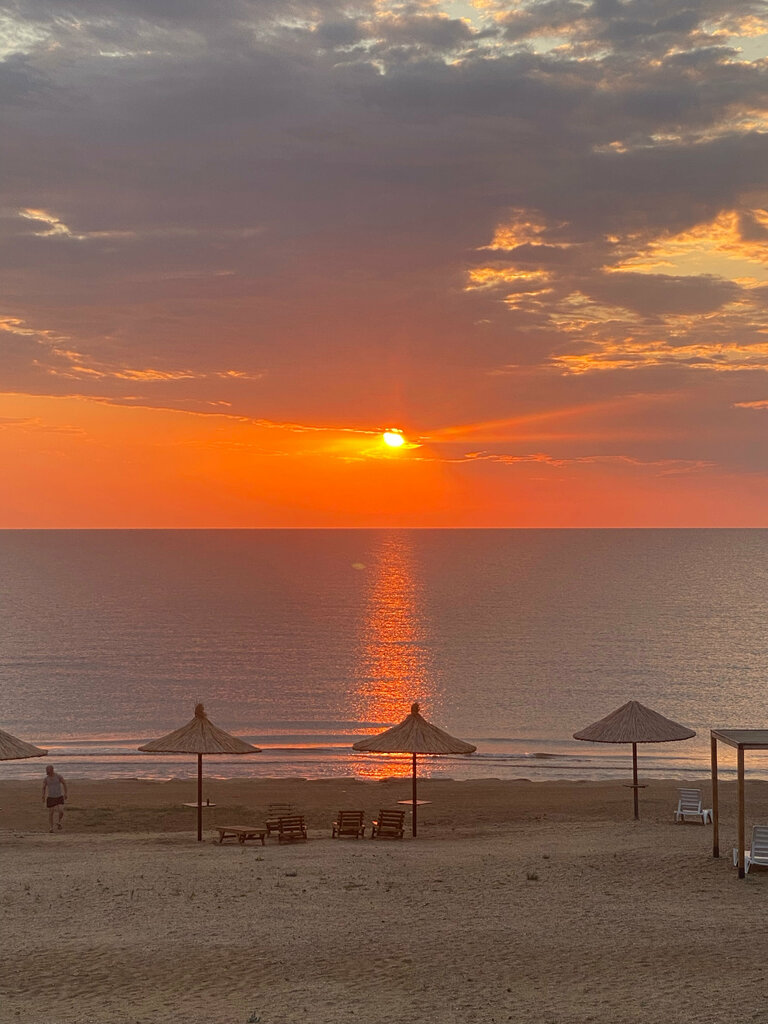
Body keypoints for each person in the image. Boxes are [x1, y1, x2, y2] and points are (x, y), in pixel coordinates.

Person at [42, 764, 67, 833]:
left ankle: (59, 822)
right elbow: (43, 788)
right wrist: (43, 796)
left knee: (61, 811)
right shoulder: (46, 779)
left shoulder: (58, 776)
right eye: (46, 770)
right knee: (51, 813)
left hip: (59, 796)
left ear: (52, 770)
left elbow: (64, 783)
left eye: (48, 770)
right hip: (51, 797)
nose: (47, 772)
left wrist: (65, 793)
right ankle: (51, 827)